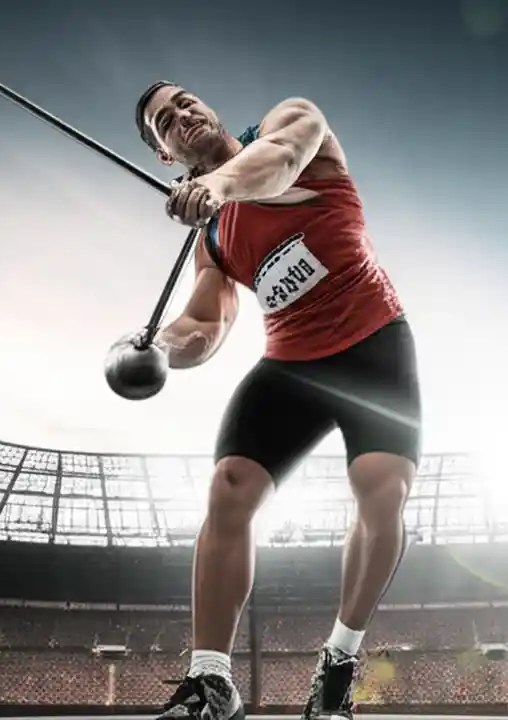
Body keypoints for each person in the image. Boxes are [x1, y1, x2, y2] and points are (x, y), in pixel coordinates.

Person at [133, 81, 421, 720]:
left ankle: (339, 660)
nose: (182, 115)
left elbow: (281, 161)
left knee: (384, 491)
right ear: (163, 154)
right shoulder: (211, 240)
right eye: (164, 122)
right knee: (229, 486)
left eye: (185, 101)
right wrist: (156, 349)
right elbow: (204, 327)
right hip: (292, 364)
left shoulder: (289, 122)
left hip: (372, 343)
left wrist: (217, 188)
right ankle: (212, 682)